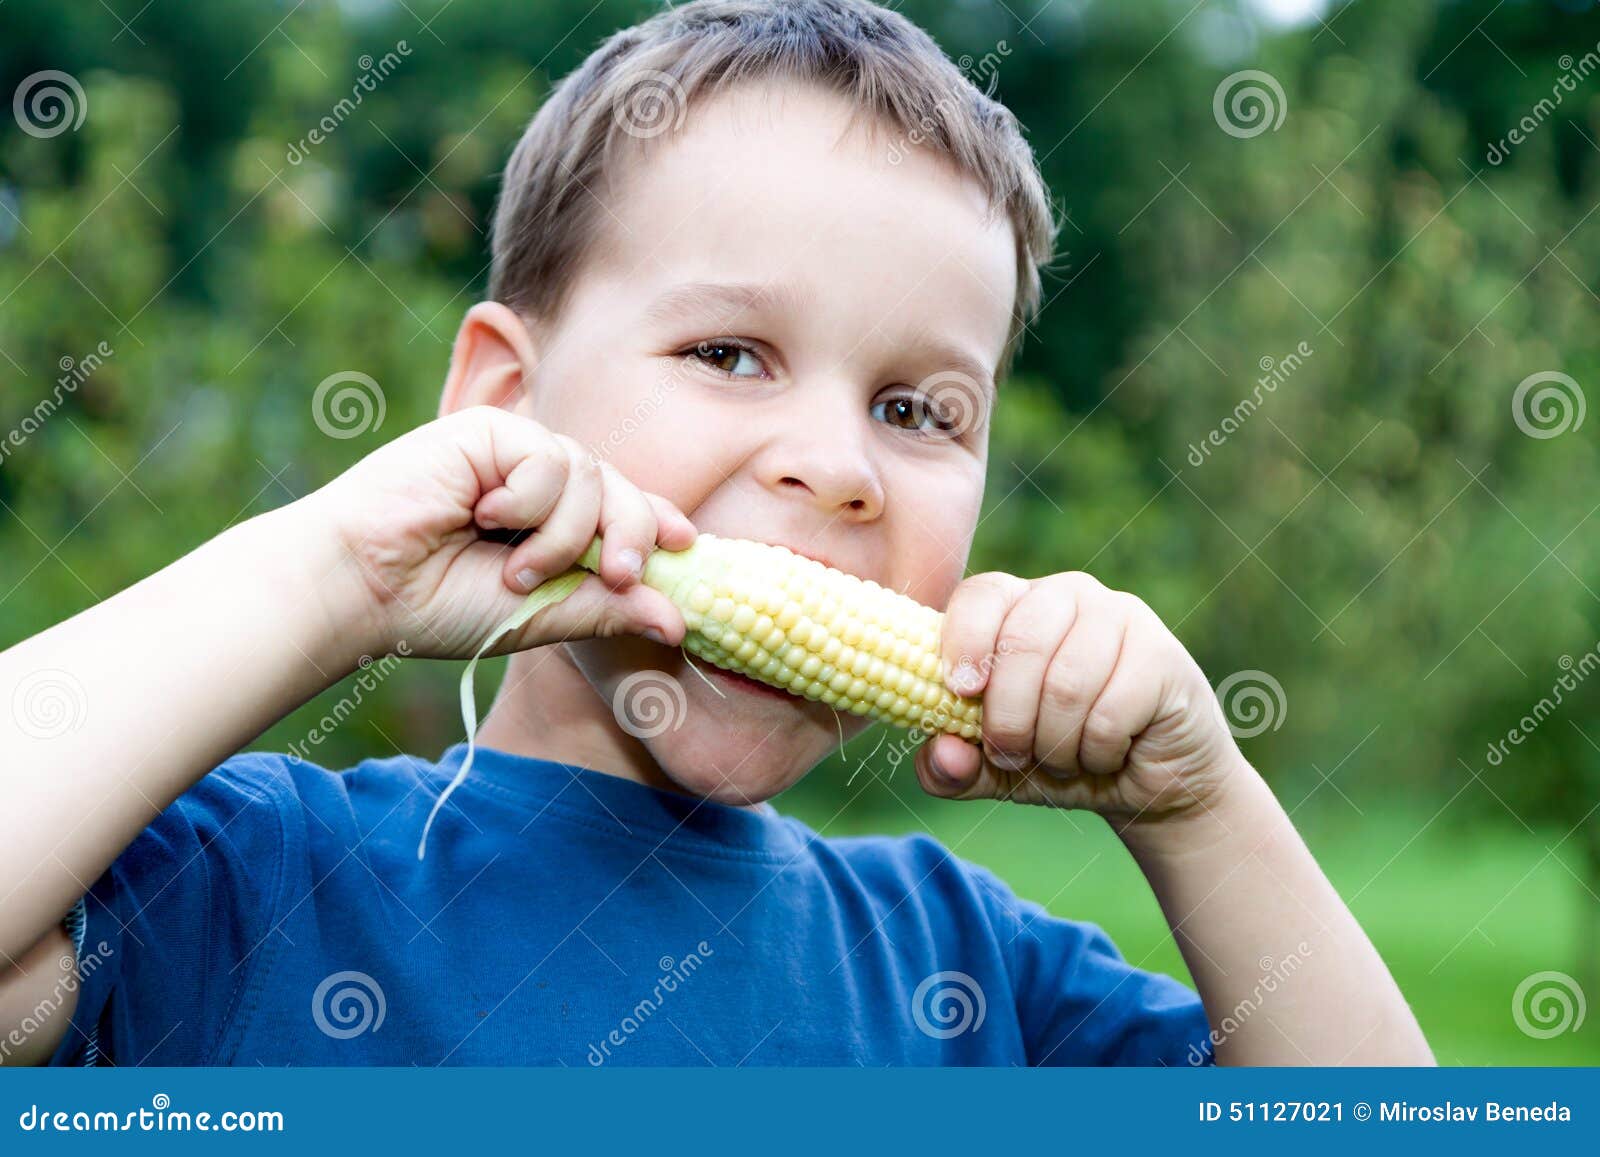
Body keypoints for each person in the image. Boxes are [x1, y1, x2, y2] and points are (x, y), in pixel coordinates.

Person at [0, 0, 1431, 1066]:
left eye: (919, 410)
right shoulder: (251, 887)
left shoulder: (972, 976)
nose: (836, 467)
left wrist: (1201, 807)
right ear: (504, 399)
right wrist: (328, 574)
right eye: (732, 353)